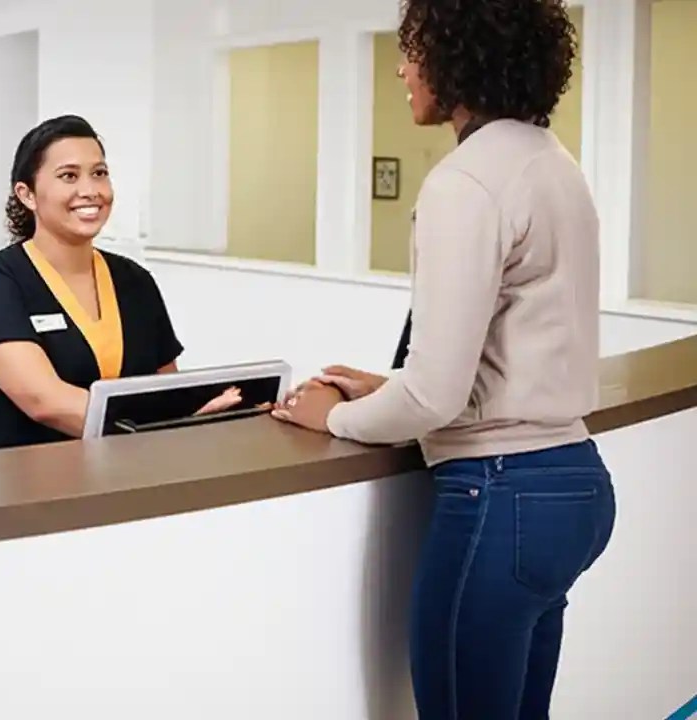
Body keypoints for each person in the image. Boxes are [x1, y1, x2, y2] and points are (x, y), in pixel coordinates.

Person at [270, 1, 616, 718]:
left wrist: (336, 414)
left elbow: (434, 399)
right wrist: (387, 382)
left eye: (413, 47)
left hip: (499, 496)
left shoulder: (466, 182)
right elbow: (513, 343)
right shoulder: (555, 164)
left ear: (459, 53)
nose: (402, 67)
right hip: (575, 485)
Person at [0, 115, 239, 452]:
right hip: (14, 479)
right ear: (27, 194)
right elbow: (45, 401)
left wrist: (214, 411)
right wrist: (167, 426)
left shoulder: (135, 281)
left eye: (99, 173)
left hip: (117, 474)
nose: (90, 191)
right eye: (68, 176)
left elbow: (165, 390)